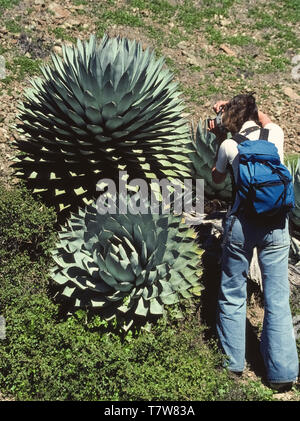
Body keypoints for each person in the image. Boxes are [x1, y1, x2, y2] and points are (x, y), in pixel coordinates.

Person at [209, 93, 299, 391]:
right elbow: (266, 120)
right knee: (277, 299)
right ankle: (282, 373)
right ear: (256, 112)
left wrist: (219, 133)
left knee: (233, 292)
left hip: (242, 226)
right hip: (276, 225)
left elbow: (218, 179)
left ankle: (232, 365)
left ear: (231, 117)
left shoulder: (228, 145)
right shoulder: (275, 133)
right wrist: (243, 108)